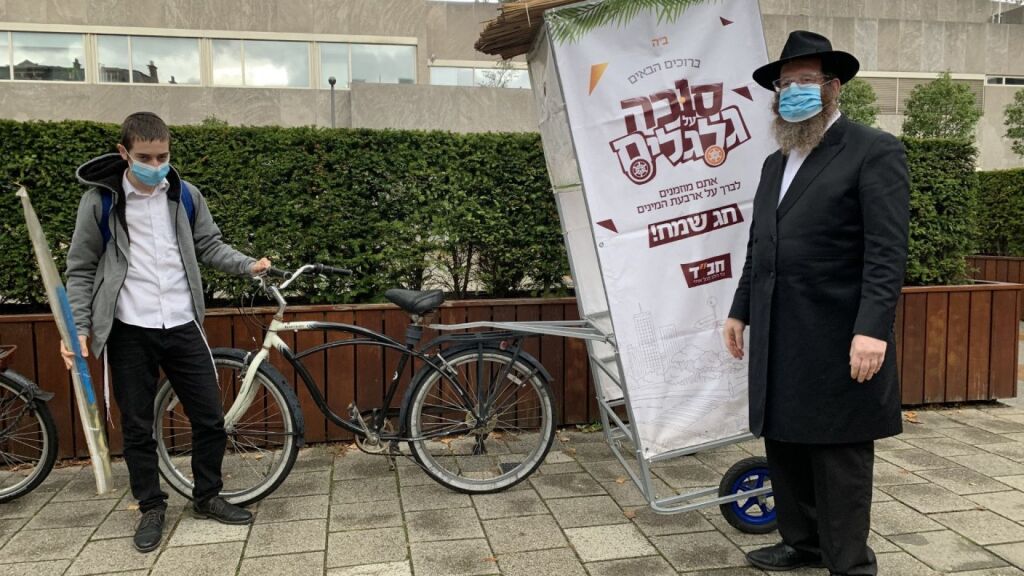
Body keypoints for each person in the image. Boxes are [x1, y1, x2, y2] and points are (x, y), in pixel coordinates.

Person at [723, 31, 909, 576]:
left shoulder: (874, 150)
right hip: (780, 334)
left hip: (838, 333)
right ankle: (802, 545)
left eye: (806, 81)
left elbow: (886, 250)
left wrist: (872, 328)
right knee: (785, 444)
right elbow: (760, 246)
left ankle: (849, 565)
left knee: (838, 454)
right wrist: (741, 310)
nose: (793, 91)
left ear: (834, 86)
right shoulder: (774, 164)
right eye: (785, 83)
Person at [60, 111, 272, 553]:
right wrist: (78, 328)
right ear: (124, 153)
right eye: (145, 157)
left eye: (163, 156)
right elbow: (80, 270)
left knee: (211, 418)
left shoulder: (185, 195)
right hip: (128, 327)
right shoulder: (100, 202)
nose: (155, 165)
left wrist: (247, 265)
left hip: (182, 322)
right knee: (138, 426)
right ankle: (151, 506)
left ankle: (207, 496)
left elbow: (209, 244)